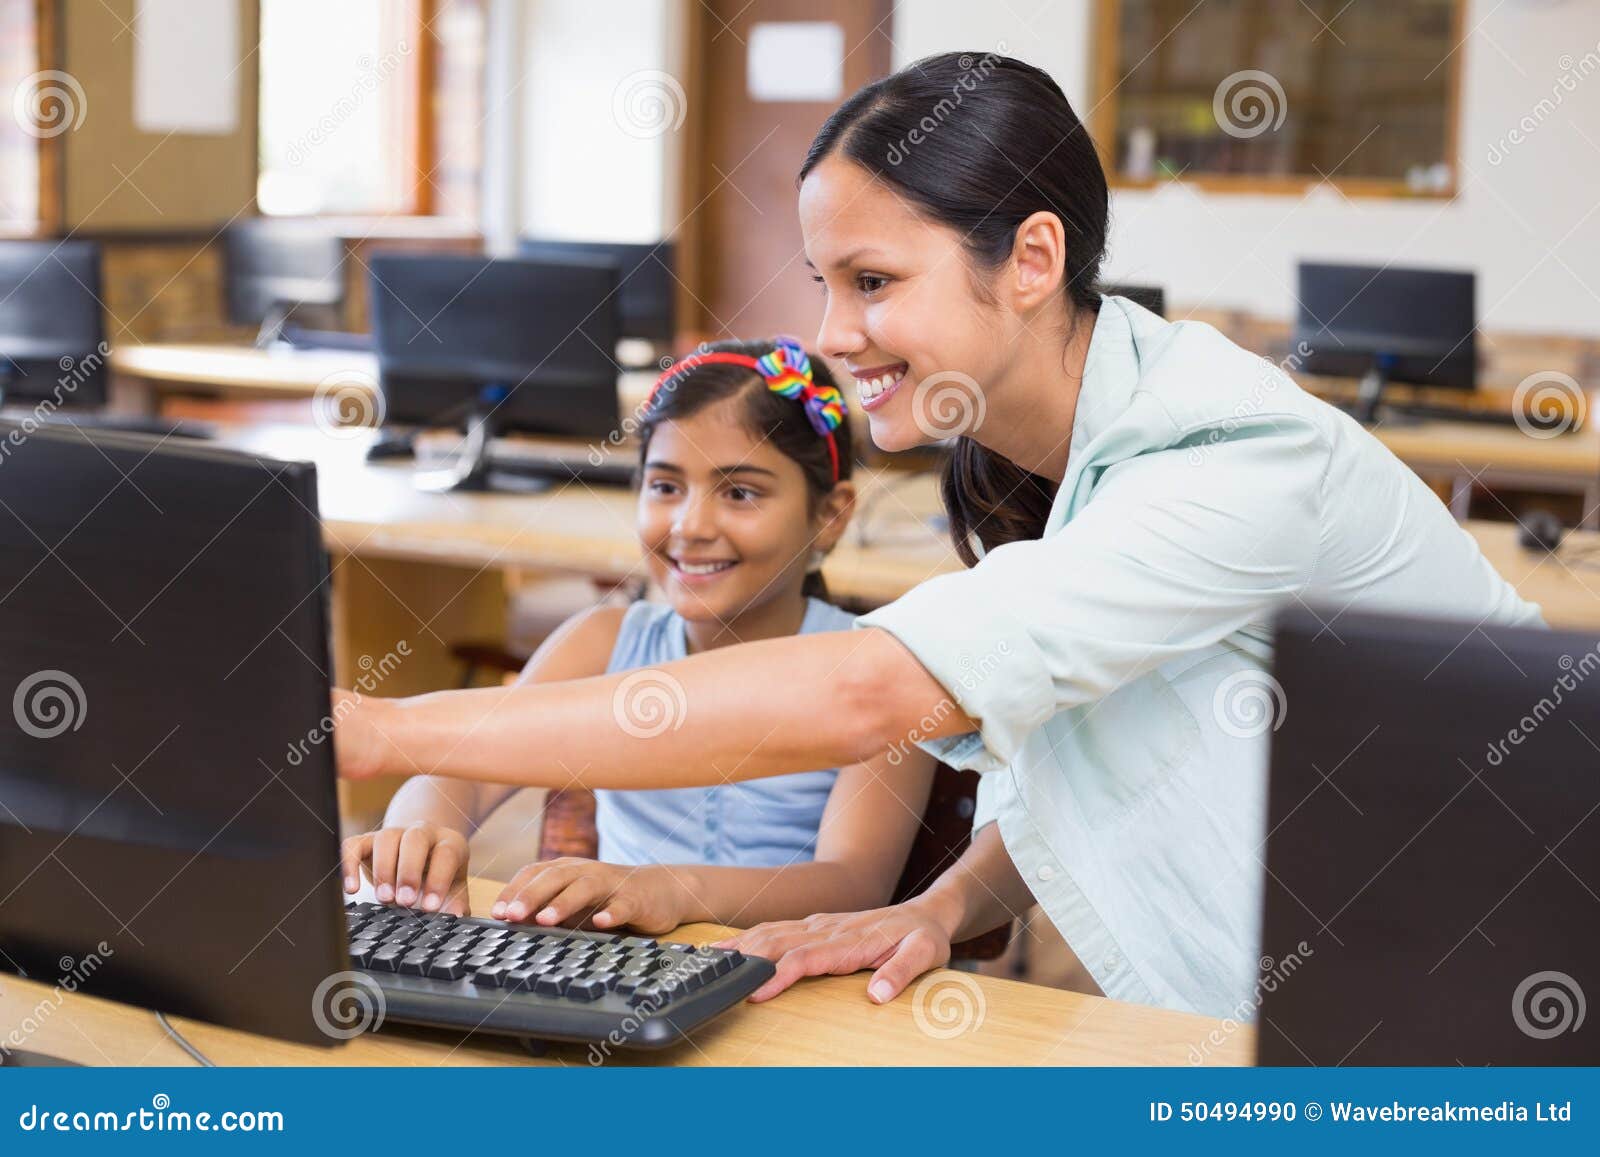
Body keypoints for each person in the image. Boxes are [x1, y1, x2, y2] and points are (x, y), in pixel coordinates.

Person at [334, 54, 1543, 1018]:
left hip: (1499, 961)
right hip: (1357, 973)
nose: (832, 330)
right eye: (821, 281)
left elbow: (868, 692)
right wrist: (947, 901)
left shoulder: (1226, 459)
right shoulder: (1060, 451)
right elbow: (1098, 728)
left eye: (869, 281)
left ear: (1030, 258)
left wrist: (391, 727)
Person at [341, 338, 935, 935]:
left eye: (740, 492)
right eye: (665, 486)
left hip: (799, 979)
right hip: (624, 978)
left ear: (830, 517)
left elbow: (856, 882)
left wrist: (670, 890)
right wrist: (423, 828)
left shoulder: (880, 671)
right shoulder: (602, 643)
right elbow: (458, 768)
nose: (690, 526)